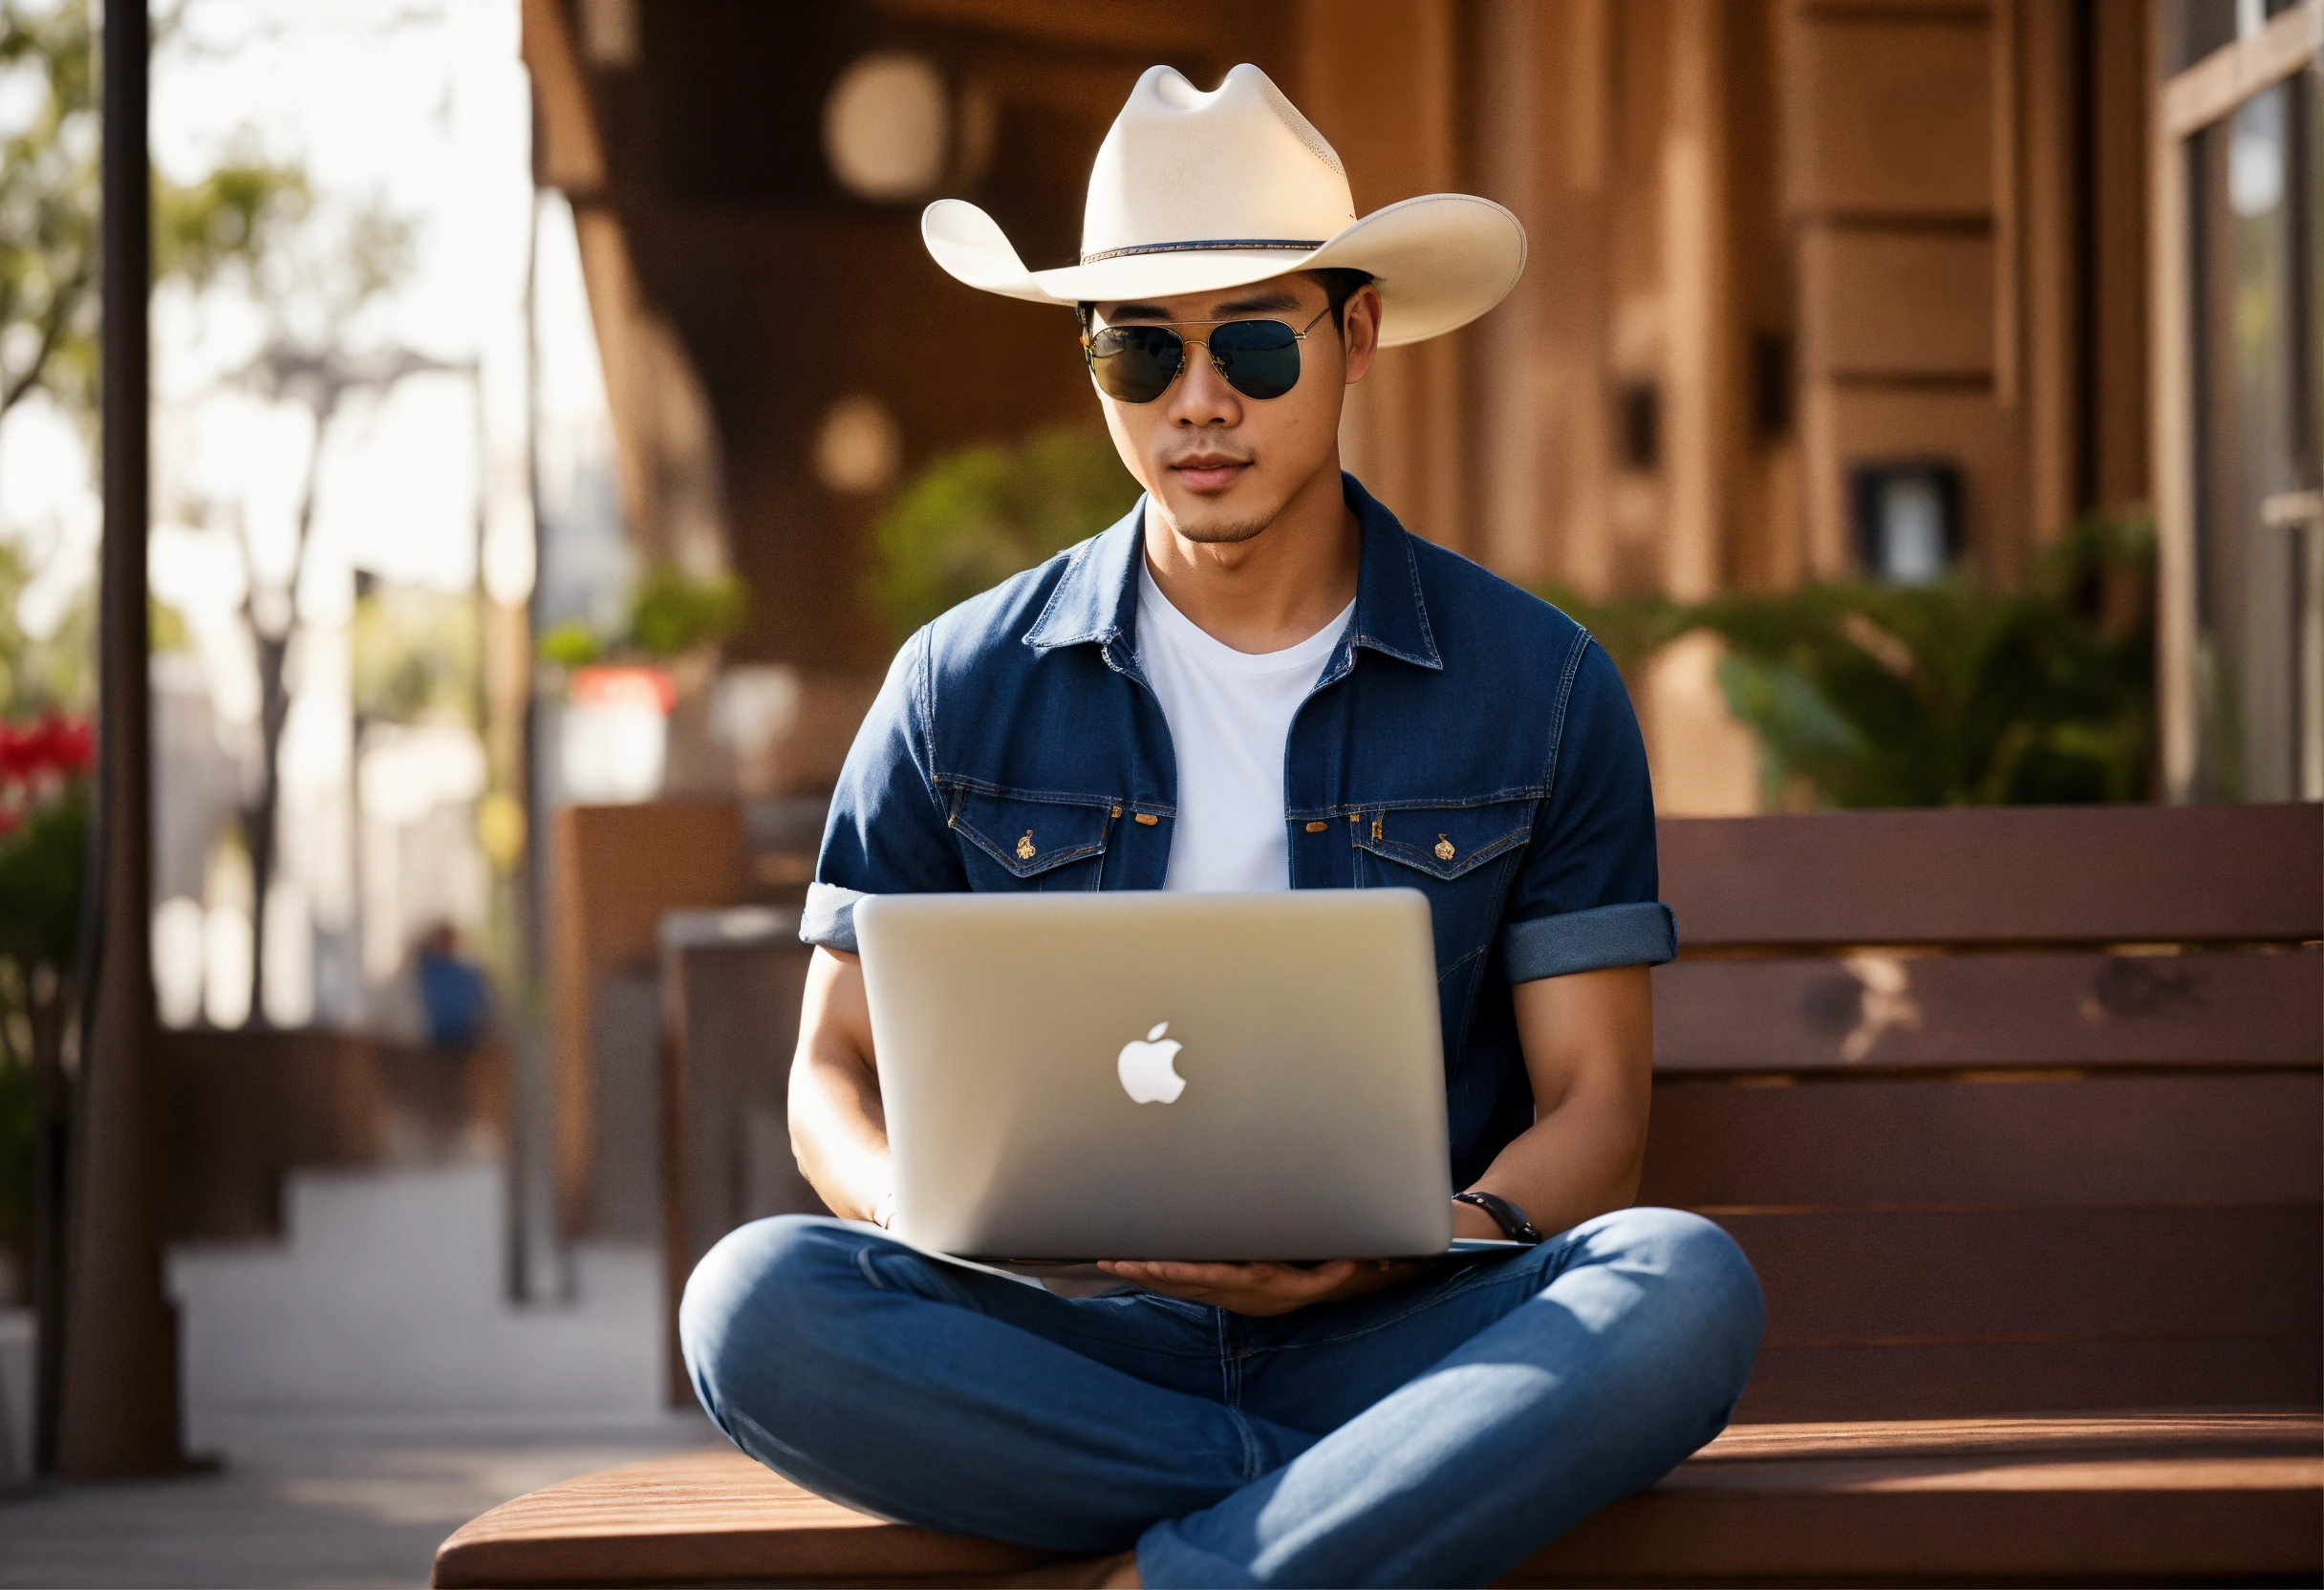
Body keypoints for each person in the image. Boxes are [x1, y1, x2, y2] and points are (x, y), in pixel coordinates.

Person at [679, 64, 1763, 1589]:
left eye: (1255, 342)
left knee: (1682, 1284)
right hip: (1062, 1341)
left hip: (1405, 1331)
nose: (1202, 401)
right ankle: (1337, 1515)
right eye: (1143, 351)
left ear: (1358, 334)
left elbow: (1600, 1111)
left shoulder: (1540, 687)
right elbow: (830, 1075)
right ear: (1094, 365)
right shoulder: (955, 687)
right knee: (750, 1304)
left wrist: (1431, 1234)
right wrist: (916, 1209)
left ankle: (1189, 1570)